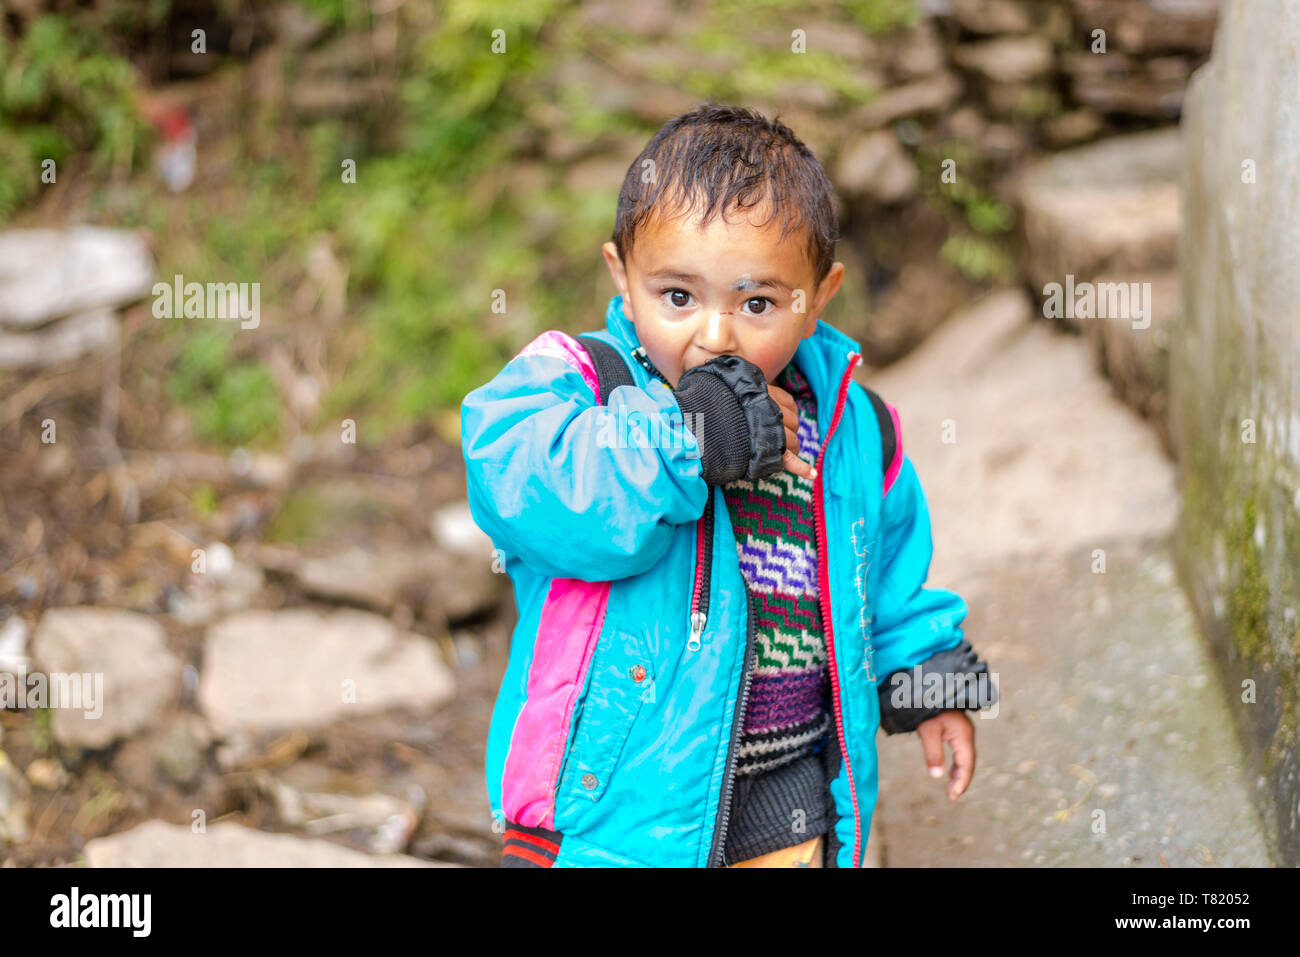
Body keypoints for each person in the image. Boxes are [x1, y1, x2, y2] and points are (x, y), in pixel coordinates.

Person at [461, 103, 996, 868]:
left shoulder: (851, 428)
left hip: (792, 802)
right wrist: (691, 436)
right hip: (614, 821)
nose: (714, 336)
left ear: (818, 295)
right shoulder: (584, 387)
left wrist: (927, 678)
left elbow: (887, 579)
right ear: (622, 273)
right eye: (677, 297)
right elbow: (520, 485)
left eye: (756, 303)